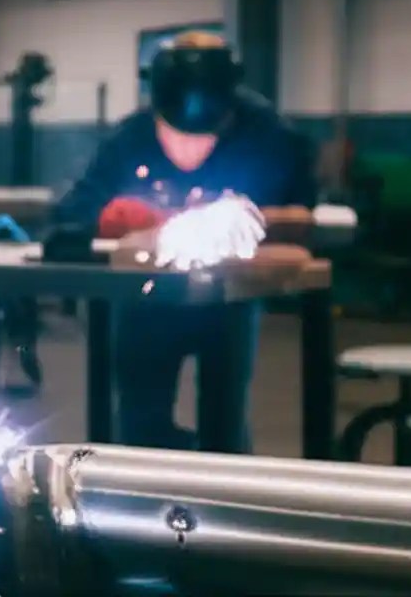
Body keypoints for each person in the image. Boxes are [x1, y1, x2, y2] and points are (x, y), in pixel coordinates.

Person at [50, 30, 317, 453]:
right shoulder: (131, 136)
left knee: (224, 424)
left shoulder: (268, 134)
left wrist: (239, 220)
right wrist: (111, 218)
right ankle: (135, 499)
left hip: (228, 293)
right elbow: (73, 212)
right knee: (139, 422)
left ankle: (225, 496)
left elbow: (303, 213)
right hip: (146, 298)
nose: (188, 148)